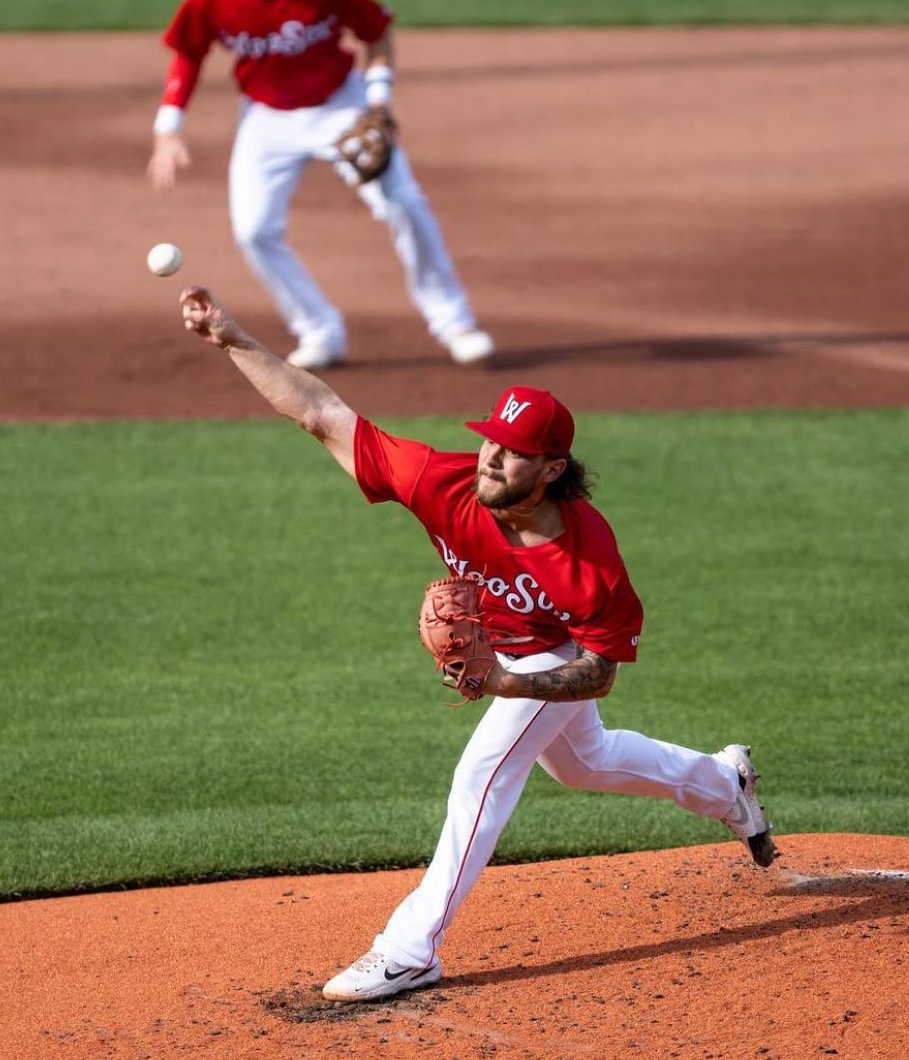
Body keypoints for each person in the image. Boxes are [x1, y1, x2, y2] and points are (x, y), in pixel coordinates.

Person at [177, 284, 779, 1003]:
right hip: (510, 653)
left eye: (515, 451)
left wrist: (501, 680)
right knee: (586, 763)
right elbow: (321, 414)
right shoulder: (445, 481)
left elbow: (597, 672)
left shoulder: (589, 559)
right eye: (491, 436)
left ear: (552, 468)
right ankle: (725, 782)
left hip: (554, 657)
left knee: (483, 772)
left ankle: (408, 949)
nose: (492, 456)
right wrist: (233, 338)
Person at [148, 0, 494, 370]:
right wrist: (168, 128)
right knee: (254, 231)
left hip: (340, 106)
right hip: (265, 118)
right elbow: (188, 53)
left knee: (404, 205)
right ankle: (318, 331)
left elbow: (375, 33)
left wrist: (377, 102)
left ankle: (454, 322)